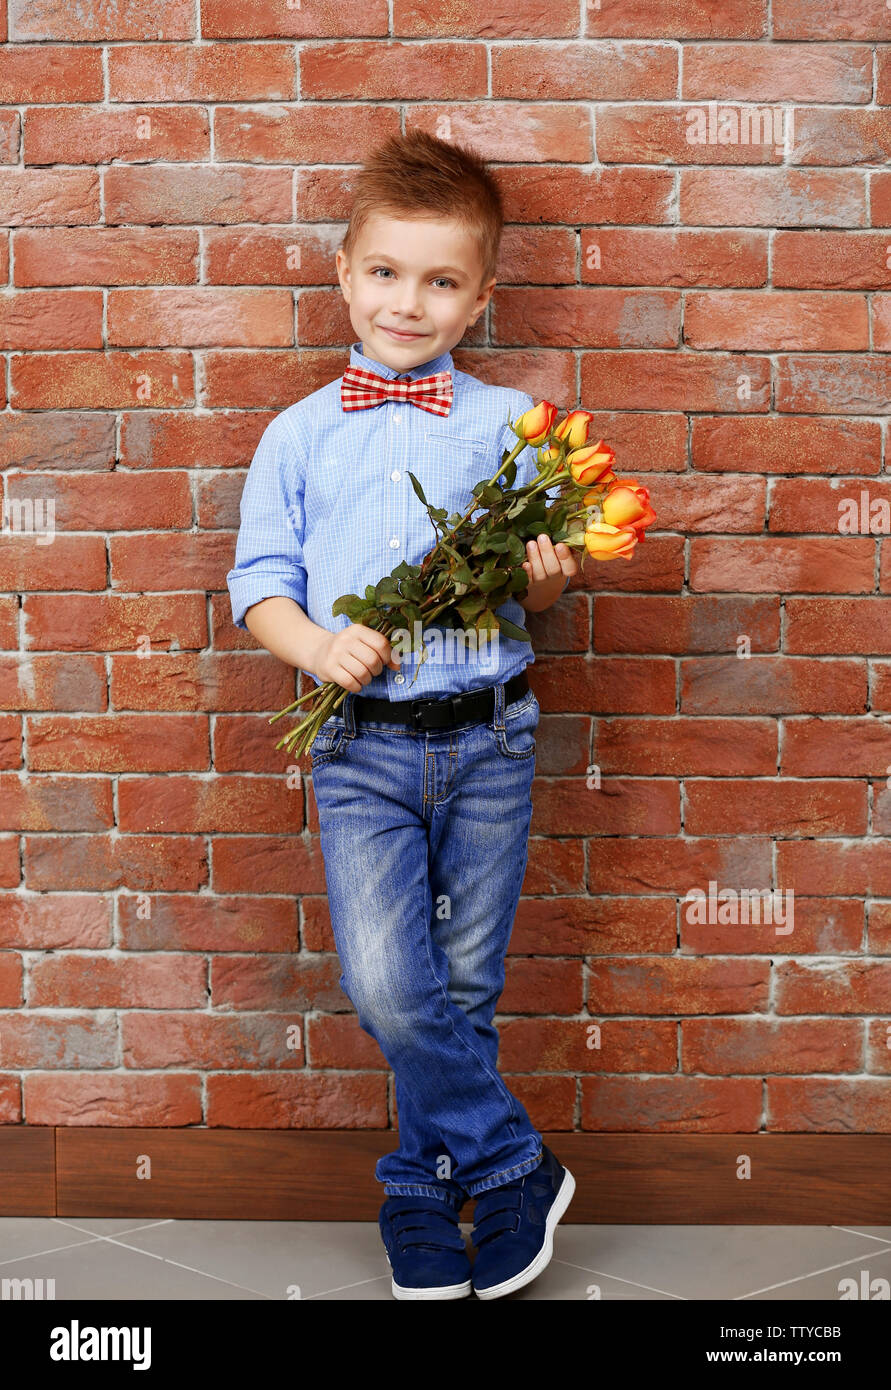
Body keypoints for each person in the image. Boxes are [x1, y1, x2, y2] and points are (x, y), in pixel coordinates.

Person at [226, 129, 579, 1300]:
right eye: (386, 273)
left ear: (481, 294)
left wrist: (543, 574)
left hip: (489, 737)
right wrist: (321, 646)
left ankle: (425, 1190)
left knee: (462, 986)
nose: (409, 302)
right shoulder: (298, 435)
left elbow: (529, 577)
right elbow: (257, 586)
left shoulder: (505, 428)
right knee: (390, 983)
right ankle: (513, 1160)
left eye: (440, 281)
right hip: (359, 750)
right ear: (343, 273)